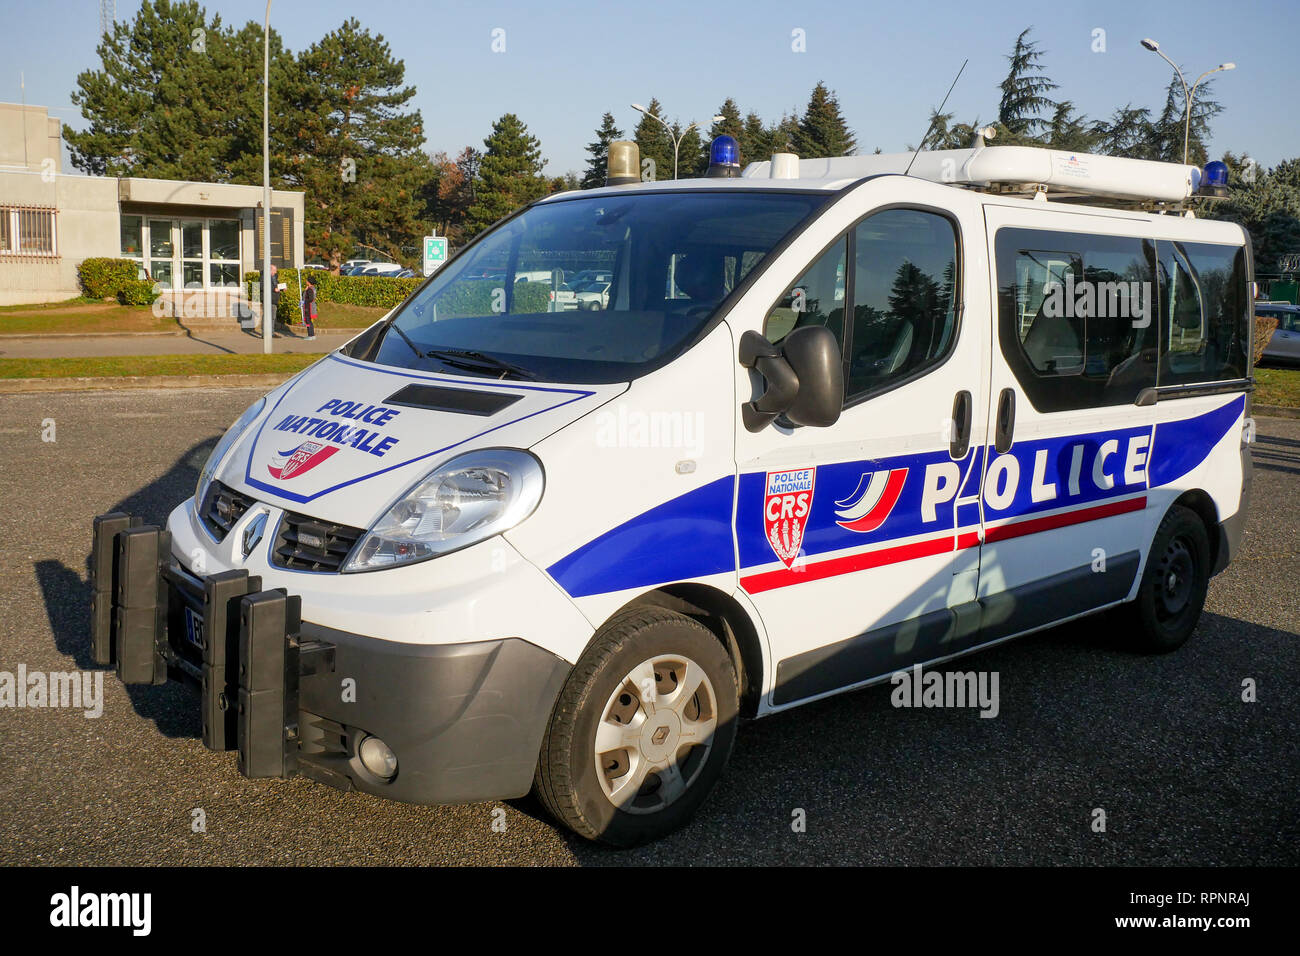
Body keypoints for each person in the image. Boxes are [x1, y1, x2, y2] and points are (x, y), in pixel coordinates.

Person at [302, 276, 317, 340]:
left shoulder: (310, 289)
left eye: (307, 280)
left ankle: (310, 335)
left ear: (309, 282)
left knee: (308, 321)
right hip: (311, 306)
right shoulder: (312, 288)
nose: (306, 281)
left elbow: (310, 298)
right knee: (309, 321)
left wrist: (305, 301)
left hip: (309, 307)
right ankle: (312, 335)